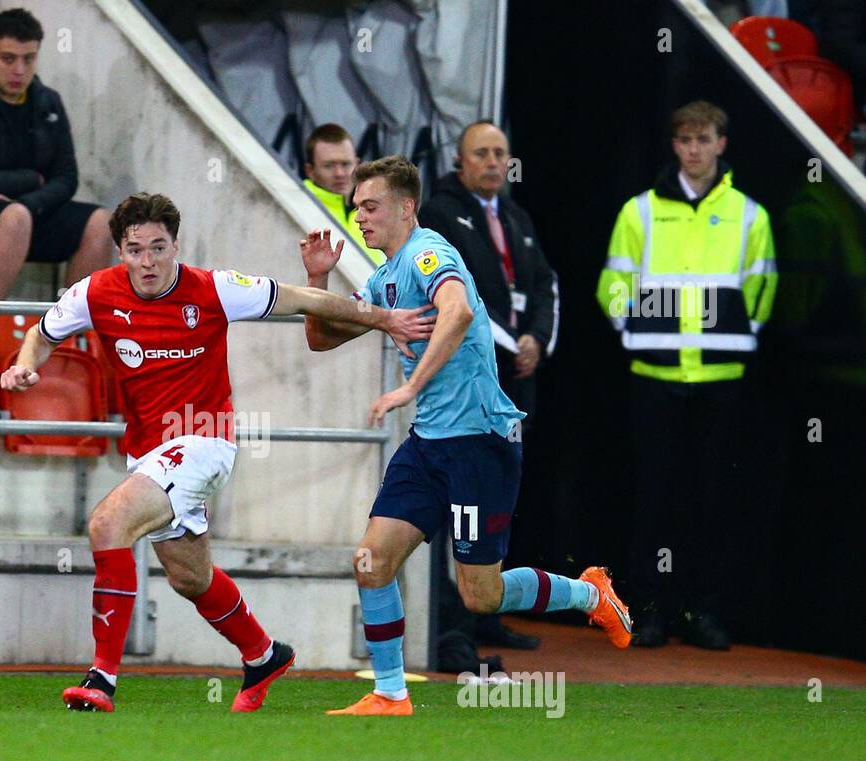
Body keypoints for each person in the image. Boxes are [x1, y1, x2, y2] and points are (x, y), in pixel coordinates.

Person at [0, 192, 439, 714]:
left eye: (159, 248)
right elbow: (42, 334)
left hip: (204, 442)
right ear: (120, 250)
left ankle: (102, 679)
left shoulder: (214, 288)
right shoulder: (94, 293)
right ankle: (263, 653)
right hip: (148, 453)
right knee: (191, 577)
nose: (148, 262)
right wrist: (26, 364)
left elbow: (305, 299)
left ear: (175, 246)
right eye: (136, 249)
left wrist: (384, 319)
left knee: (107, 525)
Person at [301, 156, 632, 717]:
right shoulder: (383, 278)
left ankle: (591, 592)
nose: (360, 217)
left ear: (407, 207)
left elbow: (453, 313)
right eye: (356, 207)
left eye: (371, 206)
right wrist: (317, 278)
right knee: (370, 562)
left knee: (481, 593)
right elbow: (319, 340)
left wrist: (410, 388)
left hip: (480, 442)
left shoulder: (431, 253)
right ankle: (390, 694)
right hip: (429, 446)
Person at [596, 101, 775, 651]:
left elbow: (761, 292)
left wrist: (718, 333)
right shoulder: (640, 212)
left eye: (704, 139)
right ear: (673, 145)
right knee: (654, 501)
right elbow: (614, 288)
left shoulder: (750, 215)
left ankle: (705, 613)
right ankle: (649, 613)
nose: (694, 149)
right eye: (685, 140)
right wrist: (650, 332)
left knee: (714, 501)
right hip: (655, 377)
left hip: (720, 379)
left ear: (722, 144)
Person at [417, 119, 559, 652]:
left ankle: (486, 614)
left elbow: (545, 284)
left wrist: (538, 340)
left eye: (501, 152)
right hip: (471, 381)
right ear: (460, 161)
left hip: (518, 383)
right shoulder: (438, 215)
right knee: (460, 501)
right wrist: (509, 342)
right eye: (482, 153)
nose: (494, 162)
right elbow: (461, 299)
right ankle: (453, 624)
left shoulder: (517, 216)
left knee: (499, 496)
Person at [0, 7, 113, 301]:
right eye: (8, 59)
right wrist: (33, 180)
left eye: (28, 59)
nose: (19, 70)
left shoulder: (47, 101)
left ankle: (69, 330)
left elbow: (66, 178)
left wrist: (29, 201)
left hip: (25, 208)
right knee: (15, 219)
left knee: (101, 222)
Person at [301, 123, 383, 266]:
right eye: (329, 165)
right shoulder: (300, 207)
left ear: (357, 165)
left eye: (346, 164)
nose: (339, 173)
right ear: (310, 171)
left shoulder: (374, 211)